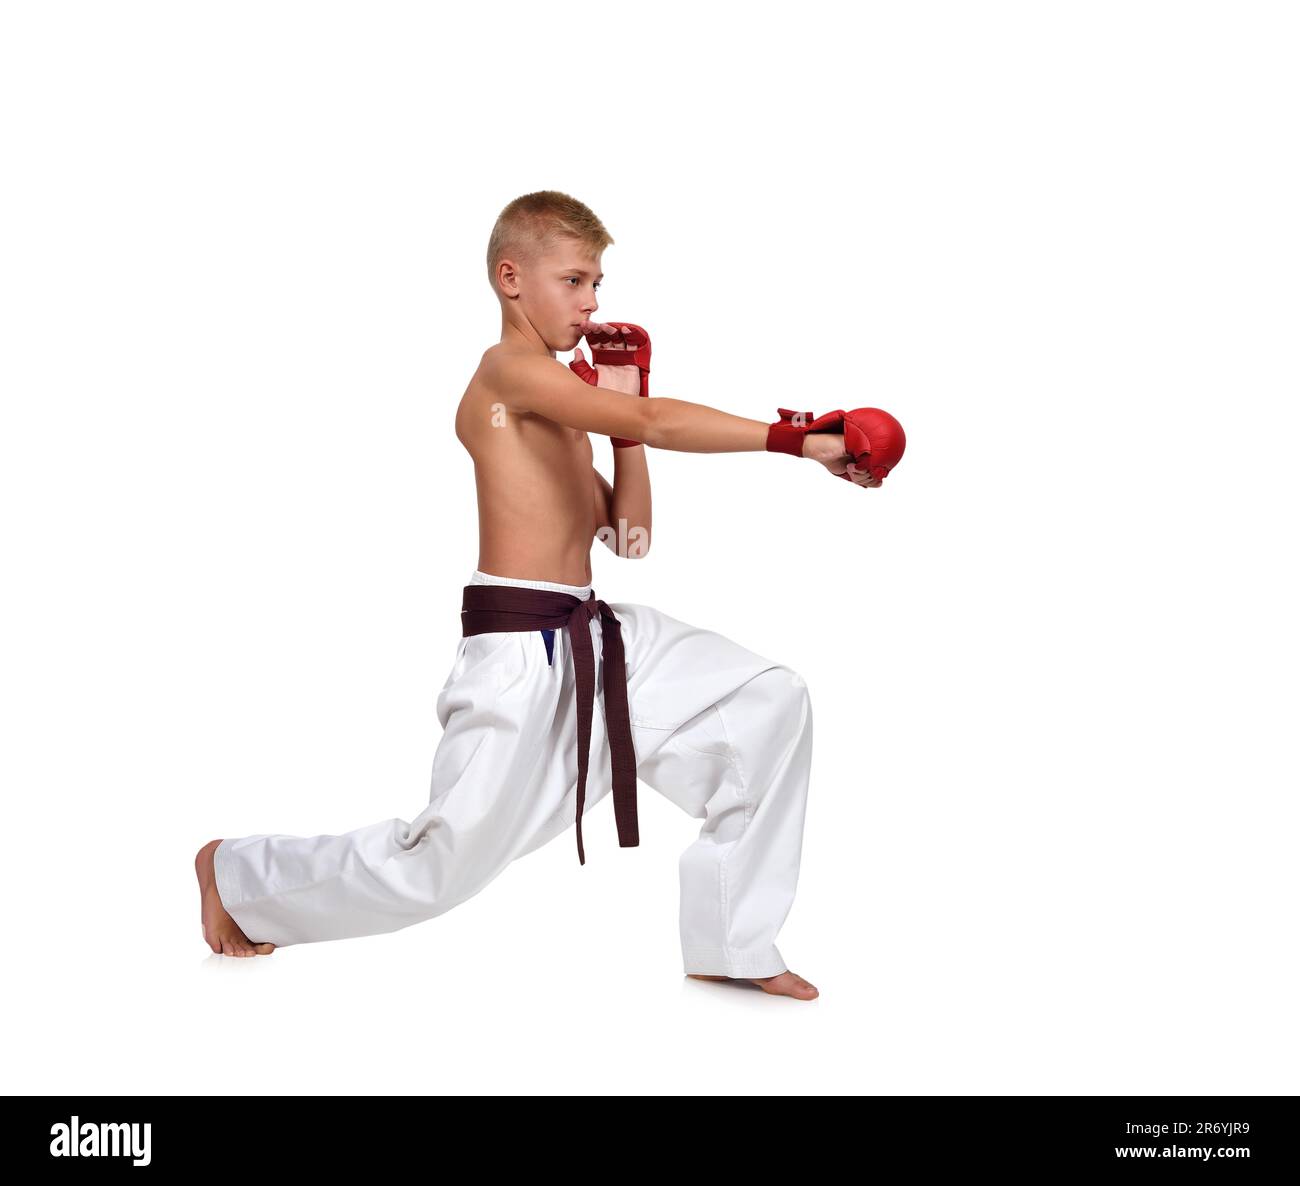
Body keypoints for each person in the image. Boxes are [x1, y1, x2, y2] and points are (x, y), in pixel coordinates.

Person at [195, 190, 881, 1000]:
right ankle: (235, 872)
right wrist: (798, 440)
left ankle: (732, 942)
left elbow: (628, 538)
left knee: (768, 700)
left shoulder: (560, 411)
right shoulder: (506, 374)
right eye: (576, 280)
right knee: (440, 866)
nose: (592, 304)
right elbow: (664, 420)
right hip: (520, 649)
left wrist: (621, 423)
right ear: (510, 277)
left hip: (598, 634)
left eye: (598, 285)